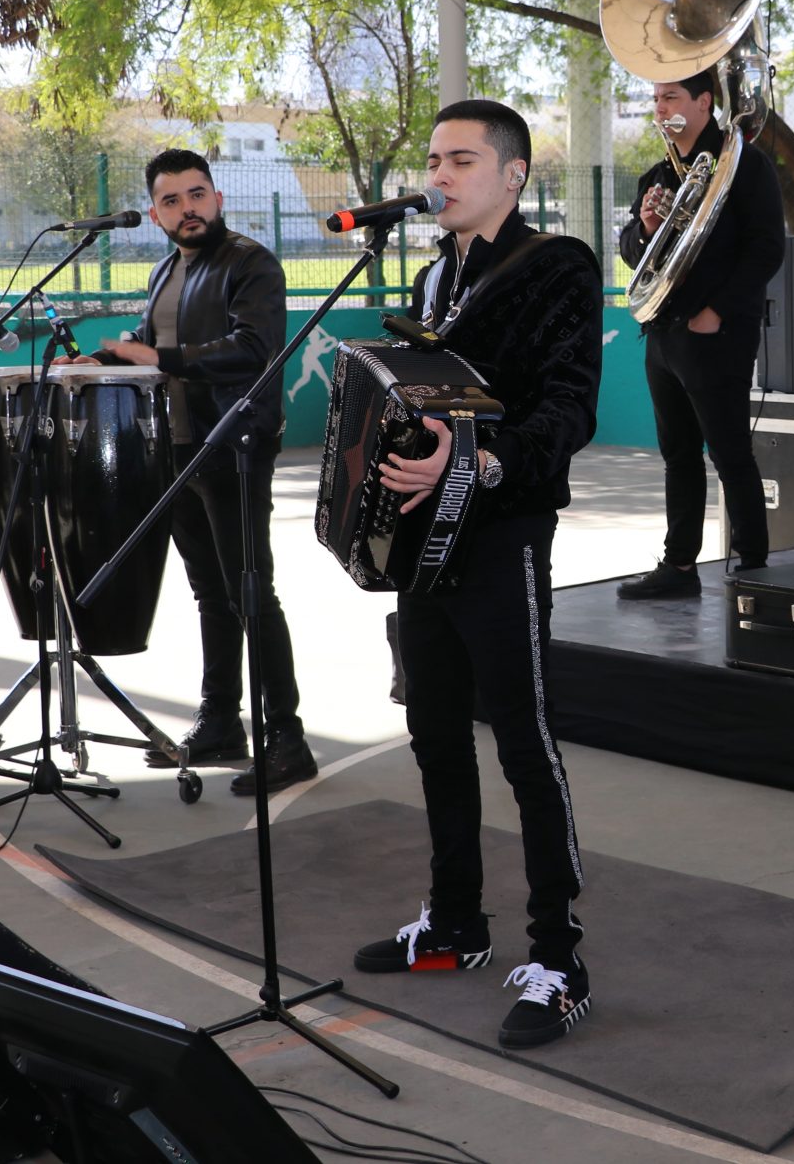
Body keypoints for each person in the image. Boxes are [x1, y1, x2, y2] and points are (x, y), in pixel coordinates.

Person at [350, 99, 604, 1050]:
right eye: (432, 156)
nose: (439, 173)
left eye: (461, 158)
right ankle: (456, 922)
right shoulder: (431, 277)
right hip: (426, 546)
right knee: (434, 733)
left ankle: (560, 957)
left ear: (513, 174)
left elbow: (567, 407)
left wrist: (479, 462)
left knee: (526, 747)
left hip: (504, 536)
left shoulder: (556, 267)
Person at [67, 149, 311, 794]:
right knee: (211, 593)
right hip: (177, 448)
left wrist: (158, 353)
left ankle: (287, 739)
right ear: (155, 214)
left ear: (218, 198)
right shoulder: (165, 272)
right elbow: (151, 351)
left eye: (197, 194)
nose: (188, 209)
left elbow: (253, 349)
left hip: (233, 445)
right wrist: (95, 361)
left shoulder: (251, 263)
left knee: (250, 590)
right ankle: (221, 722)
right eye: (172, 201)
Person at [614, 70, 786, 599]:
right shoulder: (656, 177)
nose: (659, 106)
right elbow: (632, 255)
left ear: (704, 101)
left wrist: (716, 310)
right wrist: (643, 229)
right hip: (663, 333)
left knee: (730, 451)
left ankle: (755, 566)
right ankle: (679, 568)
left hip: (717, 331)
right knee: (678, 455)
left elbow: (766, 250)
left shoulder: (745, 167)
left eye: (670, 97)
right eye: (656, 97)